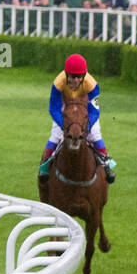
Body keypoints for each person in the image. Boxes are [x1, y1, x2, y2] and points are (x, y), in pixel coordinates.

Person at [39, 53, 115, 193]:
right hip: (64, 109)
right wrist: (64, 125)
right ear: (66, 74)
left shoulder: (92, 85)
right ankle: (44, 167)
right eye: (72, 76)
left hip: (84, 111)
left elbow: (94, 110)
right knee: (55, 136)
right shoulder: (58, 83)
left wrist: (88, 125)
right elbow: (53, 108)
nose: (75, 80)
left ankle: (106, 165)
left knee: (95, 135)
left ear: (84, 75)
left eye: (79, 76)